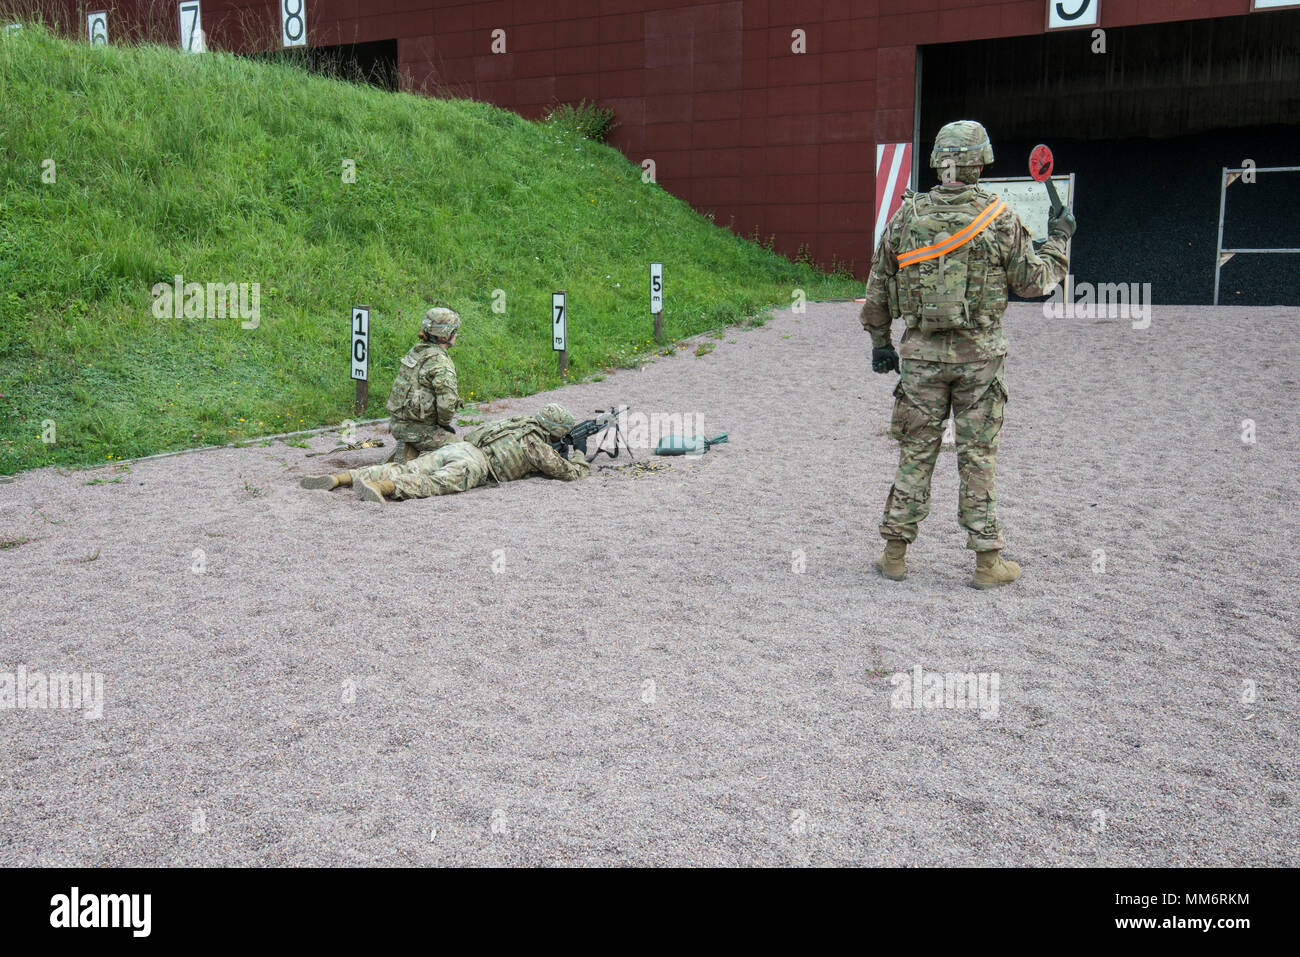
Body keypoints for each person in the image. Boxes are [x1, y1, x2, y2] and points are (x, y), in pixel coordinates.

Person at [860, 119, 1075, 589]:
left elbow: (877, 290)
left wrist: (880, 343)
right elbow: (1034, 282)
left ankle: (894, 555)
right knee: (977, 457)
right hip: (980, 361)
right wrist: (1060, 239)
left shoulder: (905, 218)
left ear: (939, 161)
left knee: (916, 452)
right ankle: (987, 562)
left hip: (921, 359)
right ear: (980, 163)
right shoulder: (999, 217)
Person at [300, 403, 590, 503]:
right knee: (433, 483)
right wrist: (579, 454)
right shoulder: (537, 446)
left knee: (408, 466)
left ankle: (341, 478)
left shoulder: (517, 422)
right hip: (476, 466)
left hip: (460, 447)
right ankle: (381, 488)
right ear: (555, 431)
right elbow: (568, 473)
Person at [384, 306, 462, 464]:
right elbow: (446, 404)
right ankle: (417, 462)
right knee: (464, 451)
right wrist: (443, 425)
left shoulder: (416, 351)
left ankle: (409, 450)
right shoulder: (441, 363)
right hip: (419, 431)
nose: (456, 335)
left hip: (397, 425)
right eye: (454, 331)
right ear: (445, 335)